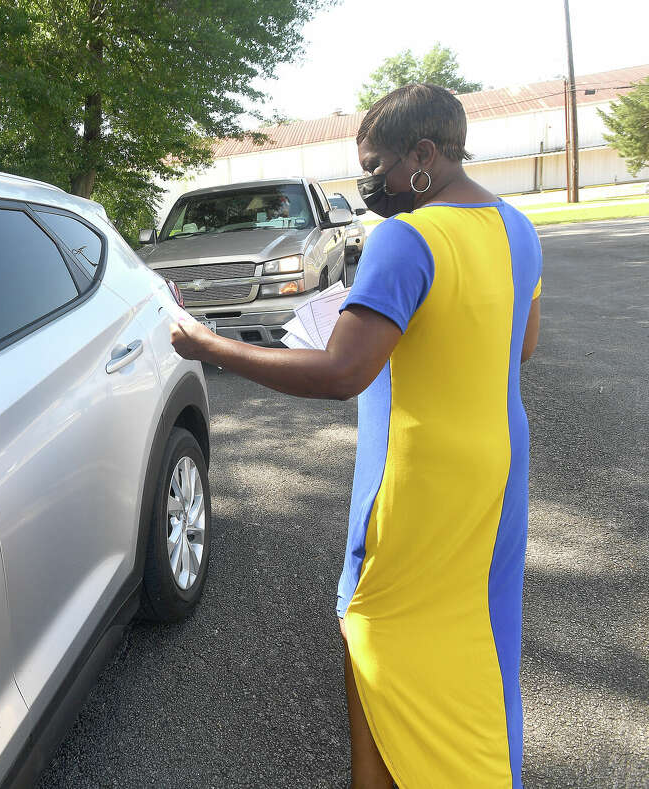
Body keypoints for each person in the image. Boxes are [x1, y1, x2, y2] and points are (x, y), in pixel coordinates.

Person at [171, 83, 541, 788]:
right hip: (496, 475)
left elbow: (342, 372)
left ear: (424, 156)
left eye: (375, 166)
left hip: (418, 478)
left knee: (372, 631)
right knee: (480, 642)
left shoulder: (406, 237)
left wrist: (208, 345)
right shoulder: (516, 225)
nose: (366, 182)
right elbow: (518, 343)